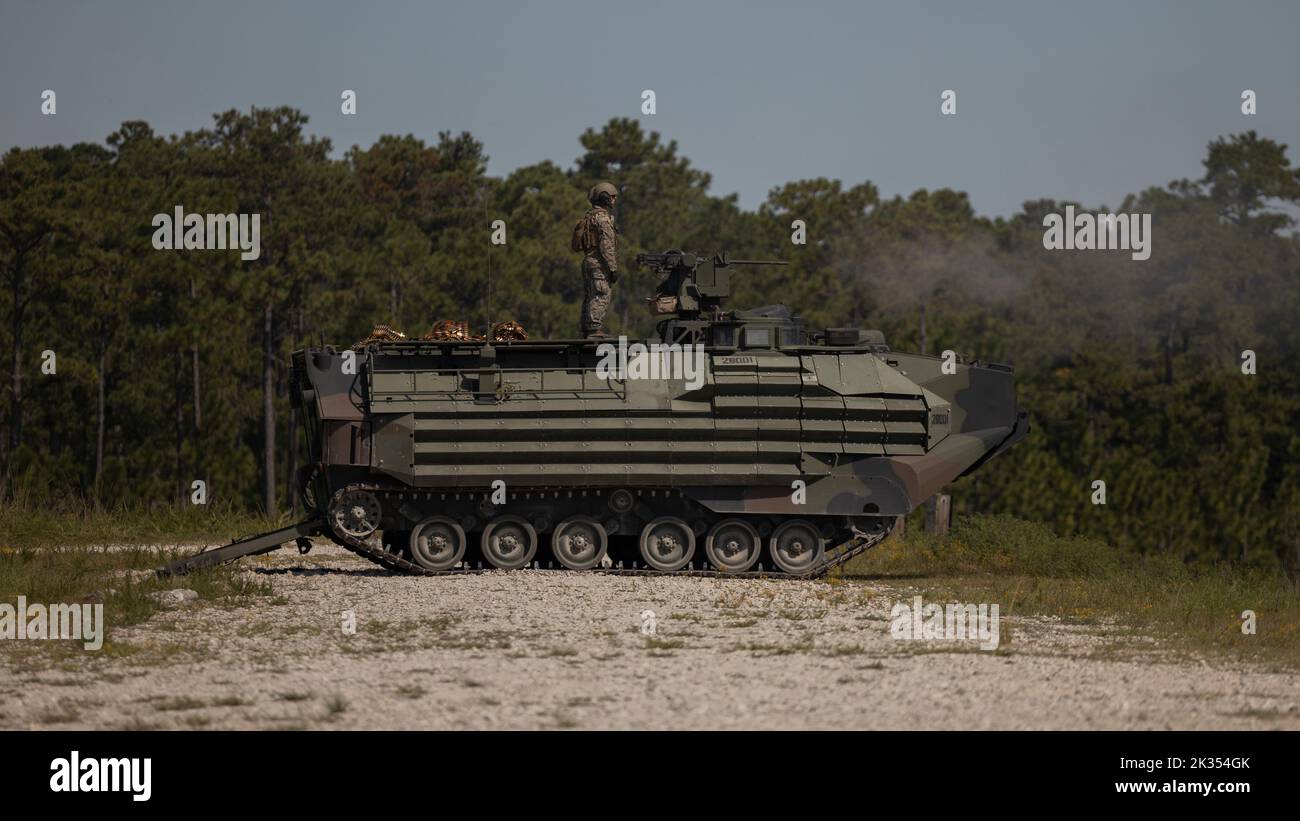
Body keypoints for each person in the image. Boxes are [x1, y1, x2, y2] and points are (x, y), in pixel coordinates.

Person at [571, 181, 620, 338]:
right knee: (601, 294)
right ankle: (593, 329)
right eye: (612, 197)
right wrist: (612, 268)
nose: (614, 200)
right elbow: (607, 246)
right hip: (599, 264)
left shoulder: (589, 217)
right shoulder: (603, 219)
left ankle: (587, 329)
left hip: (588, 262)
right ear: (605, 198)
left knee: (590, 295)